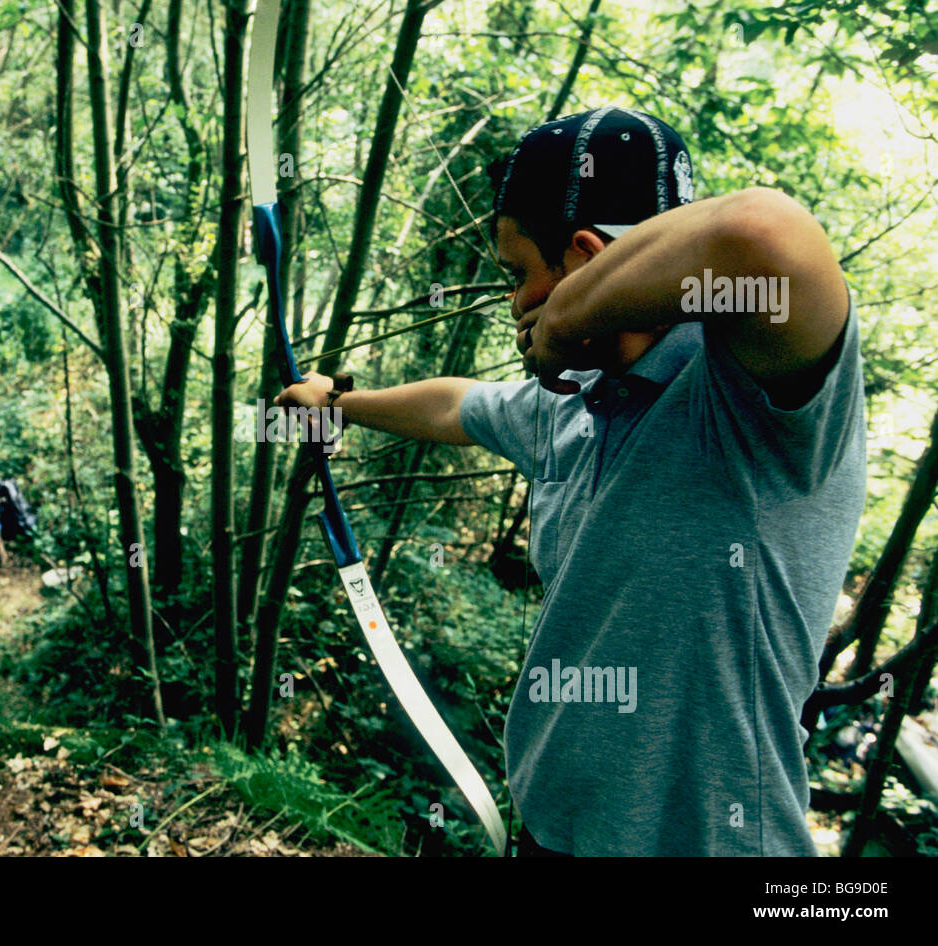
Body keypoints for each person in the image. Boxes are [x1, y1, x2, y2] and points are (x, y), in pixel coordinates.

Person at [274, 106, 866, 855]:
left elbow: (761, 232)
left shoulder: (756, 404)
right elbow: (458, 404)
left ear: (582, 258)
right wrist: (339, 403)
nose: (518, 303)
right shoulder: (574, 406)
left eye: (521, 274)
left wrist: (564, 317)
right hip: (553, 836)